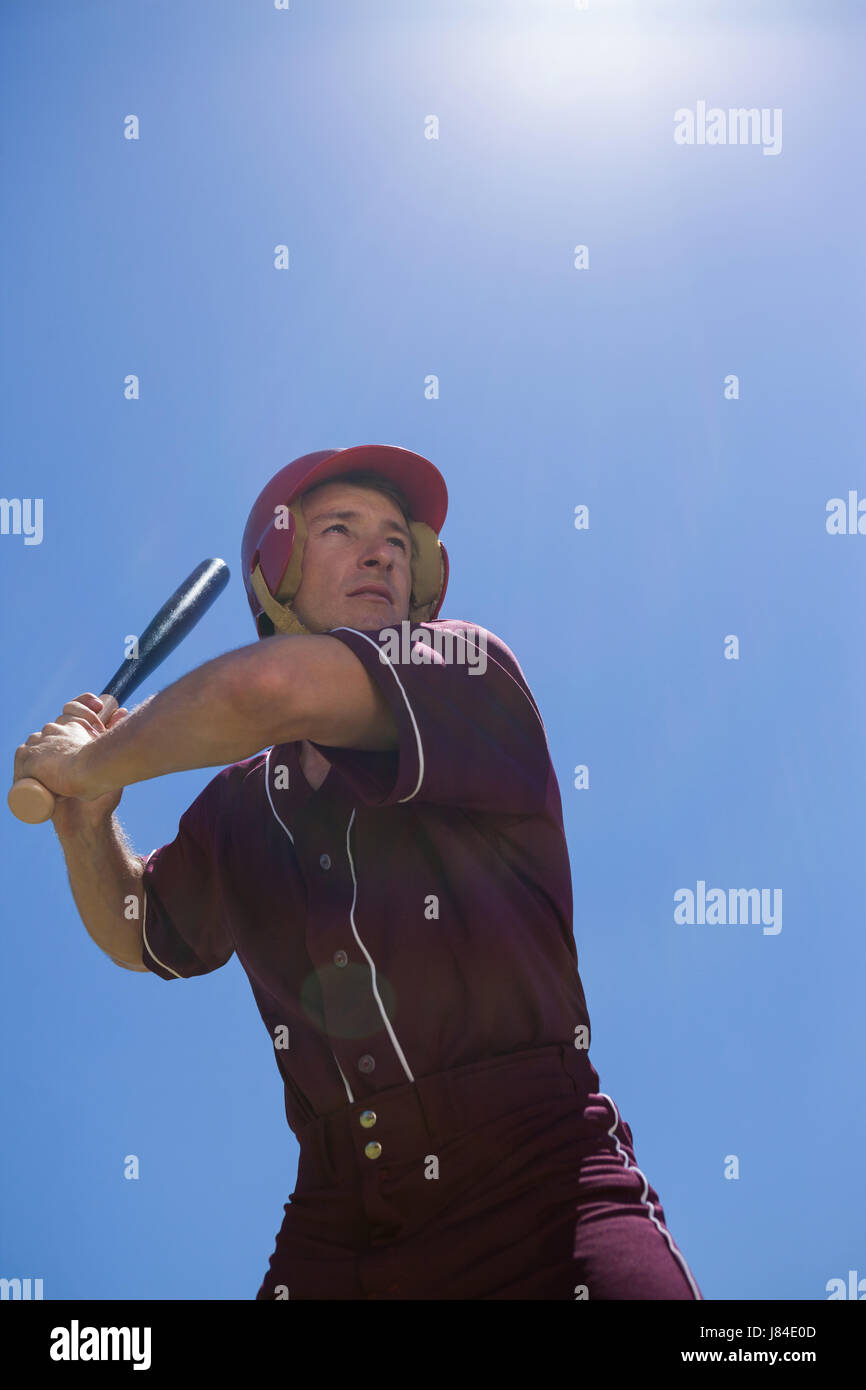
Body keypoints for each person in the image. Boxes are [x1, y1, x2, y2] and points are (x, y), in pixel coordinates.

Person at [13, 444, 703, 1300]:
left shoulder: (468, 670)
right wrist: (89, 817)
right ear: (280, 573)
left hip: (543, 1179)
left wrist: (91, 758)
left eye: (396, 540)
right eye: (341, 529)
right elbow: (138, 932)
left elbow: (260, 693)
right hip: (342, 1220)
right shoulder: (237, 807)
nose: (381, 551)